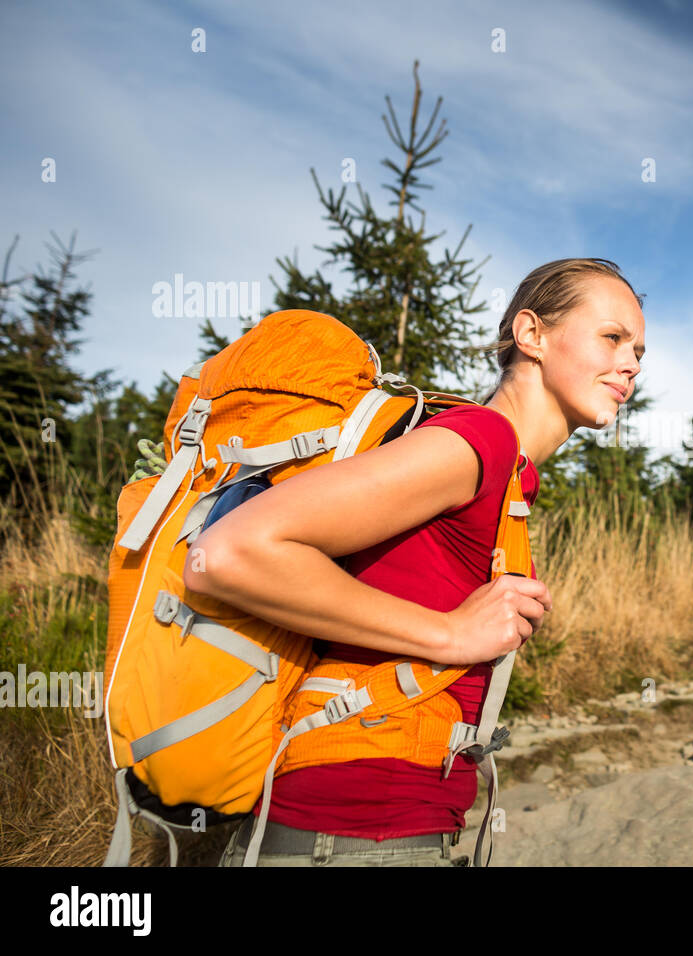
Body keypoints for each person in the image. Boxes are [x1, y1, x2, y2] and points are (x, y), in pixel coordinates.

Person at [200, 257, 645, 866]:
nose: (631, 364)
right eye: (613, 337)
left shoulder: (509, 472)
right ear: (532, 335)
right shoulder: (478, 442)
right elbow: (230, 552)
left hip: (382, 830)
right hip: (351, 832)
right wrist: (449, 631)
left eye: (639, 351)